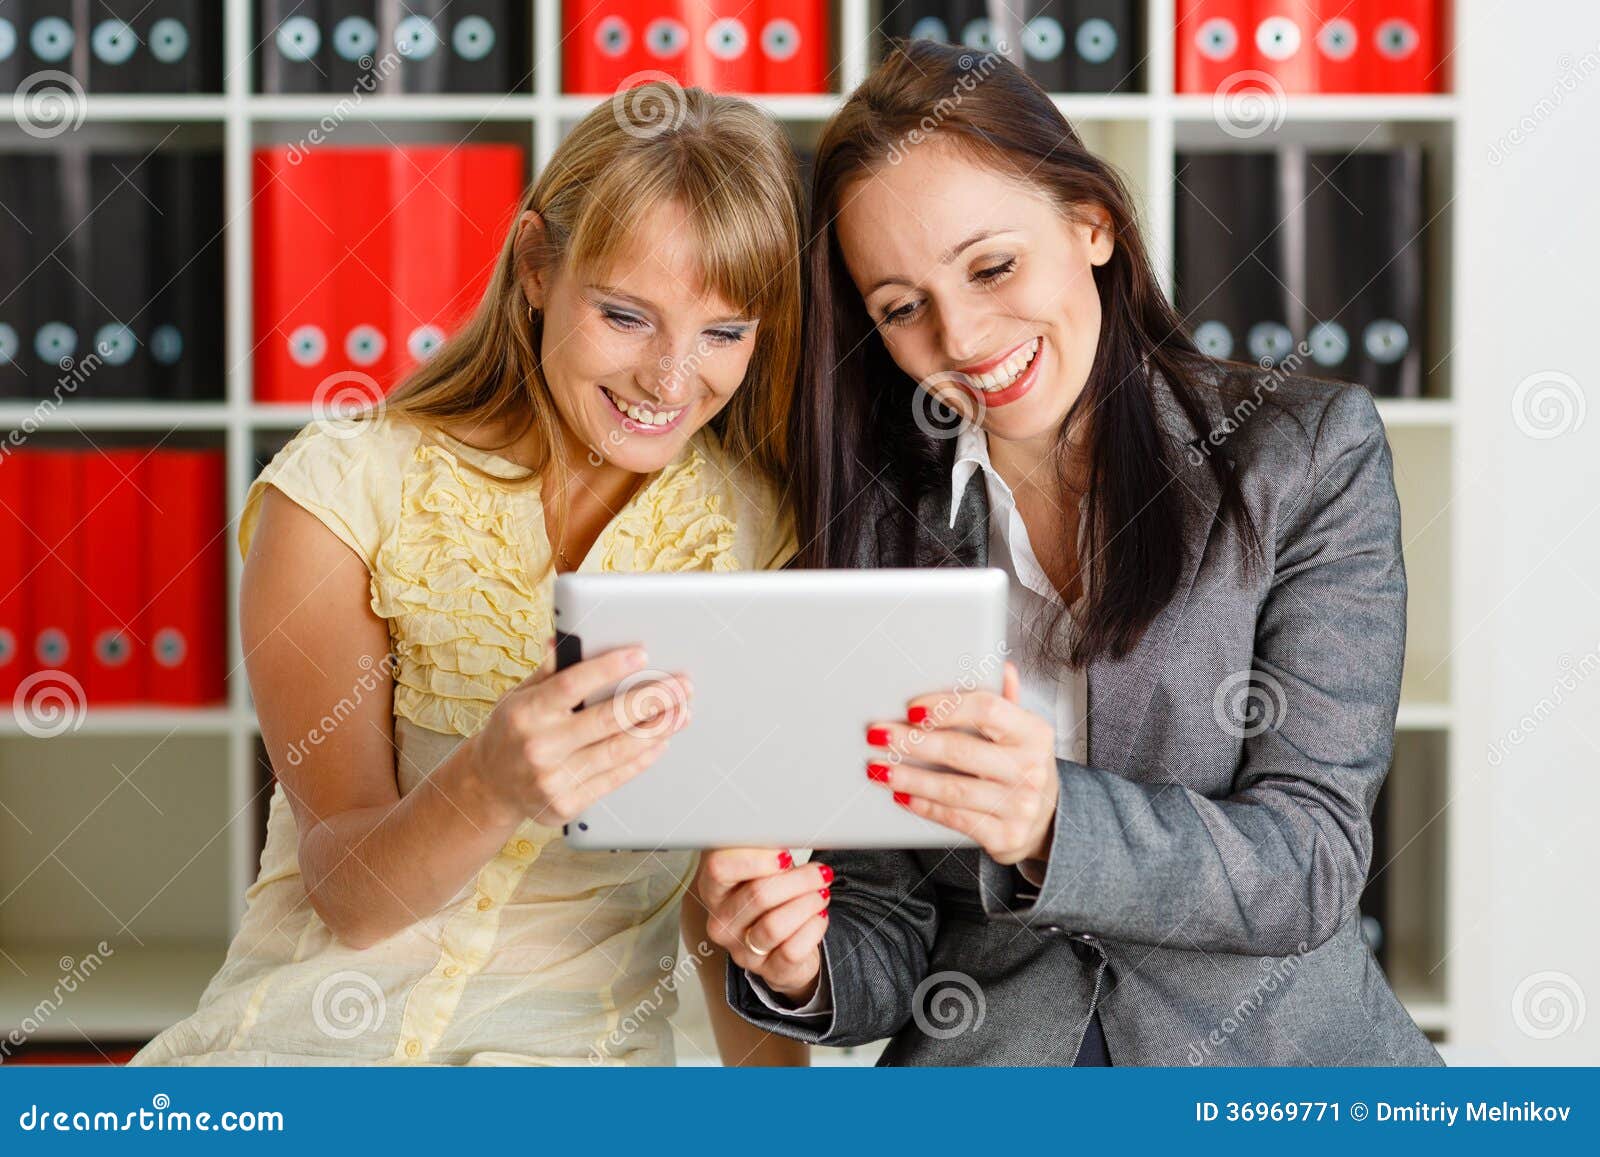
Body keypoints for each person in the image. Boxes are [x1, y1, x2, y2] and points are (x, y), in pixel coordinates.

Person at [696, 40, 1443, 1067]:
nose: (962, 337)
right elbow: (888, 913)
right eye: (902, 307)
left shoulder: (1302, 454)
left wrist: (1054, 820)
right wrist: (798, 960)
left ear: (1092, 222)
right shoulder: (876, 524)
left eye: (992, 266)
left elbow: (1308, 859)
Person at [129, 82, 805, 1066]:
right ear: (536, 264)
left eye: (724, 333)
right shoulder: (343, 490)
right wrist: (488, 782)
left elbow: (728, 907)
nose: (670, 378)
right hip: (307, 1059)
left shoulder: (762, 531)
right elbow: (351, 898)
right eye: (626, 315)